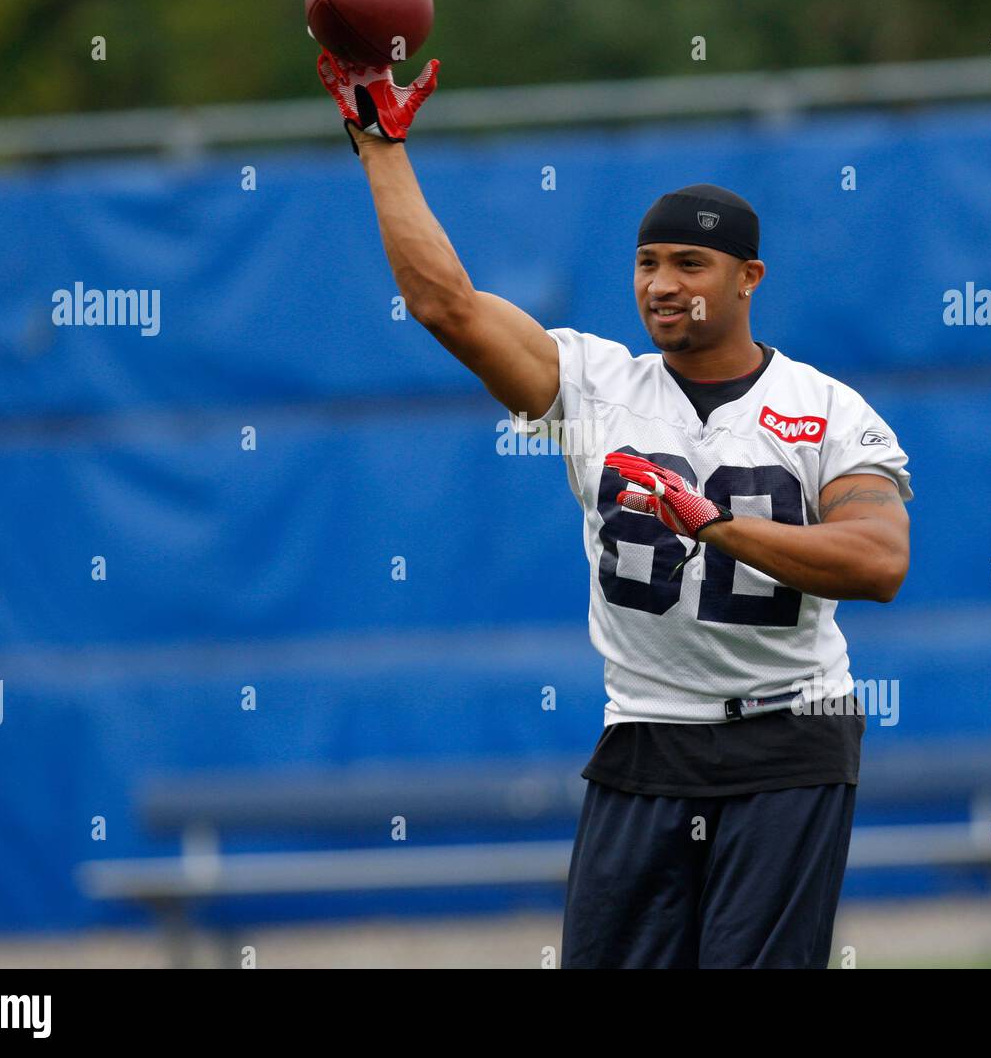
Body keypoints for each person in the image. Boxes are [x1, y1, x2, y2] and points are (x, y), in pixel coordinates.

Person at [317, 52, 913, 969]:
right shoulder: (594, 385)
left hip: (790, 738)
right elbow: (445, 308)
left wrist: (716, 527)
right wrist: (377, 143)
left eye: (689, 263)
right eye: (646, 263)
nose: (662, 284)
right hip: (643, 738)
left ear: (749, 276)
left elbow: (876, 561)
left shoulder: (828, 410)